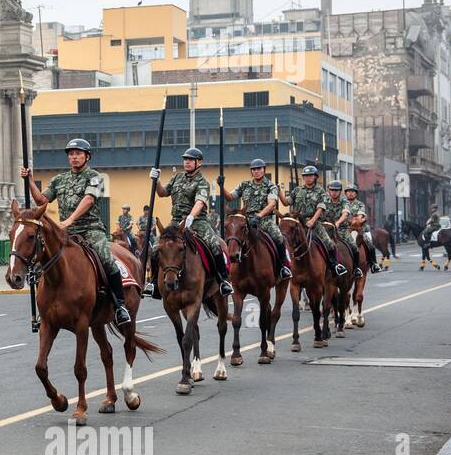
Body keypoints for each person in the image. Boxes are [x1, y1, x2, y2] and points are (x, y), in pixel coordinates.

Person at [18, 137, 131, 325]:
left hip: (91, 230)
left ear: (87, 156)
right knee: (42, 263)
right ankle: (45, 309)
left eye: (78, 154)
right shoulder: (59, 180)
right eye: (71, 154)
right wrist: (29, 180)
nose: (74, 157)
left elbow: (89, 200)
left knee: (107, 260)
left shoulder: (95, 177)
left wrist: (70, 219)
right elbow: (41, 201)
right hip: (65, 232)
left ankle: (120, 306)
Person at [149, 147, 234, 296]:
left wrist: (191, 217)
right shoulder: (177, 178)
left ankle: (223, 281)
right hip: (175, 222)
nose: (186, 162)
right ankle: (154, 282)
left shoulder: (202, 181)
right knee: (156, 247)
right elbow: (163, 193)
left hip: (197, 221)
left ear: (199, 162)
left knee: (215, 245)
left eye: (190, 160)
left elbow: (200, 202)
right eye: (185, 159)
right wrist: (156, 181)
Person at [220, 158, 292, 281]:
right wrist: (221, 186)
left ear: (264, 170)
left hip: (265, 220)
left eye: (259, 169)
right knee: (232, 237)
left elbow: (271, 204)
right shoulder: (245, 185)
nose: (256, 171)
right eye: (254, 169)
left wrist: (258, 216)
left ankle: (283, 266)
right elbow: (230, 197)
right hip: (246, 220)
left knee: (278, 237)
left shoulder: (271, 186)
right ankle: (226, 268)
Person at [287, 166, 348, 278]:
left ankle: (335, 265)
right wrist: (279, 192)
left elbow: (321, 208)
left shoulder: (321, 191)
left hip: (315, 223)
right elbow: (287, 202)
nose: (308, 178)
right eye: (305, 176)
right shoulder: (297, 190)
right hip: (299, 222)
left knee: (329, 244)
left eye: (310, 176)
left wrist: (312, 221)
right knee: (287, 241)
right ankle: (286, 267)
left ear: (315, 177)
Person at [325, 180, 363, 279]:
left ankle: (356, 269)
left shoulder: (344, 201)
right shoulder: (325, 200)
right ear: (329, 191)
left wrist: (338, 222)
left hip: (342, 229)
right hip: (326, 229)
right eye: (331, 190)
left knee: (354, 247)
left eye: (336, 190)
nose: (333, 192)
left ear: (340, 191)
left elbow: (345, 213)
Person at [343, 183, 381, 273]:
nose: (350, 193)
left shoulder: (360, 204)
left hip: (359, 228)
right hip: (344, 228)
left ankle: (373, 263)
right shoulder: (342, 203)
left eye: (353, 192)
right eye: (348, 192)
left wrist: (357, 220)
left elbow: (361, 214)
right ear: (345, 193)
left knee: (369, 244)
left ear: (356, 194)